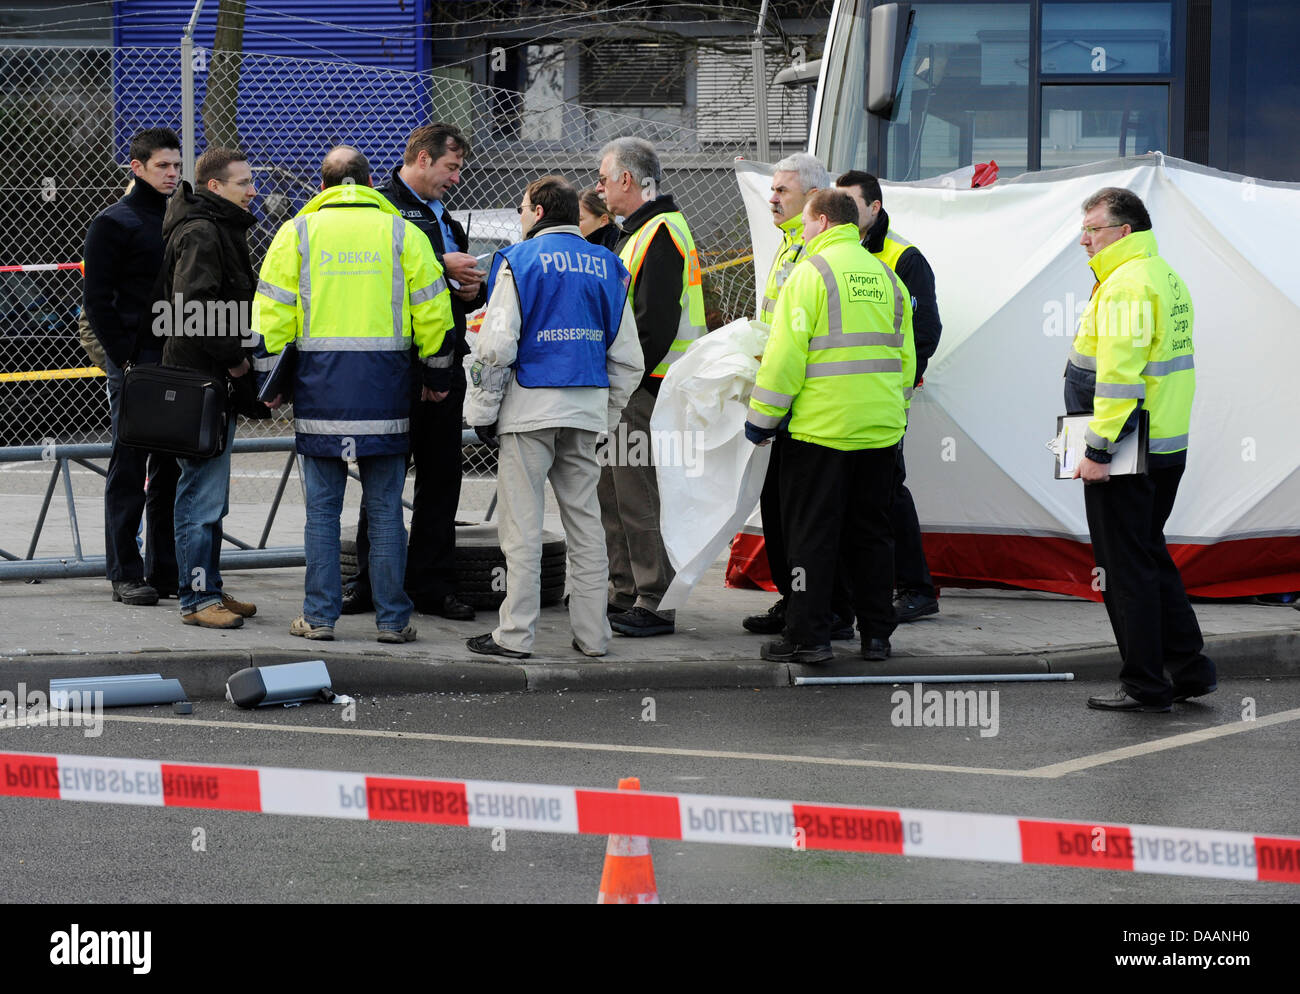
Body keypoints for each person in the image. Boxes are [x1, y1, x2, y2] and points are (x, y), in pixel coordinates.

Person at [253, 146, 455, 643]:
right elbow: (435, 316)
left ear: (322, 188)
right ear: (368, 184)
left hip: (320, 396)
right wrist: (436, 378)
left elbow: (271, 317)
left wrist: (269, 385)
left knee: (323, 511)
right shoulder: (402, 233)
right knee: (386, 509)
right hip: (386, 396)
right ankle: (393, 621)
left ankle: (319, 618)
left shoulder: (295, 234)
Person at [462, 175, 643, 659]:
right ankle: (593, 636)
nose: (520, 216)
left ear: (538, 212)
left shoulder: (518, 262)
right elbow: (628, 359)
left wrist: (482, 411)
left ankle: (515, 635)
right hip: (584, 410)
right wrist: (604, 413)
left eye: (522, 209)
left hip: (528, 410)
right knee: (586, 525)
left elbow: (496, 346)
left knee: (522, 528)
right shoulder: (609, 265)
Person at [745, 190, 914, 664]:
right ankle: (877, 635)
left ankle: (810, 638)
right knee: (872, 534)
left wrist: (761, 420)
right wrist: (889, 411)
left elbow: (784, 358)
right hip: (880, 430)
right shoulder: (886, 275)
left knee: (812, 537)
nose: (801, 229)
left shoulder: (810, 274)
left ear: (820, 221)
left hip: (821, 431)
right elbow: (906, 359)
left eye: (805, 222)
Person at [1069, 187, 1216, 712]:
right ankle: (1190, 670)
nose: (1085, 240)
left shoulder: (1126, 285)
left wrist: (1098, 450)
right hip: (1163, 446)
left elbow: (1118, 380)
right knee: (1150, 556)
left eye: (1094, 229)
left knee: (1124, 570)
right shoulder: (1163, 275)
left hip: (1128, 452)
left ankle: (1144, 684)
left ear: (1123, 232)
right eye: (1084, 230)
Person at [342, 123, 486, 621]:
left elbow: (459, 293)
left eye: (460, 169)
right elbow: (374, 275)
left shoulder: (446, 216)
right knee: (383, 478)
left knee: (442, 479)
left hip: (445, 363)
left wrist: (471, 291)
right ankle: (371, 583)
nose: (456, 178)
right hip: (394, 366)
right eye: (451, 167)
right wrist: (437, 261)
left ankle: (432, 586)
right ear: (422, 159)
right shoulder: (380, 207)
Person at [594, 136, 707, 636]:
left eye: (602, 178)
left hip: (645, 386)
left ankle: (655, 599)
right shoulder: (644, 230)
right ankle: (625, 591)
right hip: (637, 384)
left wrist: (622, 382)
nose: (597, 187)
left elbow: (652, 324)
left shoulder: (659, 231)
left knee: (637, 495)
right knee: (617, 493)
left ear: (626, 180)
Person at [158, 146, 262, 629]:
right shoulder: (203, 231)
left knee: (209, 495)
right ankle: (197, 599)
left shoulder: (216, 227)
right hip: (201, 382)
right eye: (243, 182)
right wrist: (238, 363)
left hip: (206, 380)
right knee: (201, 495)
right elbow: (193, 311)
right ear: (216, 187)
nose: (253, 189)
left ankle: (208, 588)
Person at [836, 170, 943, 624]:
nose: (842, 211)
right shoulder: (838, 251)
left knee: (889, 491)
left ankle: (916, 588)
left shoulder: (904, 257)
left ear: (874, 208)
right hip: (842, 403)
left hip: (883, 401)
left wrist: (899, 384)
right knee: (861, 494)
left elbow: (925, 331)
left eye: (851, 203)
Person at [83, 127, 183, 606]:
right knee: (129, 466)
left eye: (177, 166)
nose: (172, 174)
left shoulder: (179, 218)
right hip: (136, 363)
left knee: (170, 467)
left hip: (176, 358)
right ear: (137, 167)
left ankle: (164, 570)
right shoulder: (114, 222)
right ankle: (125, 570)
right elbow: (97, 301)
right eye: (163, 166)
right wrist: (124, 358)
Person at [742, 152, 832, 639]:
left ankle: (816, 611)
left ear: (812, 198)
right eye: (772, 189)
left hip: (806, 406)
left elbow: (796, 340)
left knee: (801, 515)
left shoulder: (815, 250)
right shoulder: (790, 244)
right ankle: (792, 600)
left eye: (782, 191)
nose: (771, 197)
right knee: (779, 508)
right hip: (787, 399)